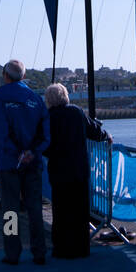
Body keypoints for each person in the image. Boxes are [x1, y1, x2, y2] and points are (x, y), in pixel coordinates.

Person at [0, 60, 51, 265]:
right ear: (24, 76)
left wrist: (16, 153)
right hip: (32, 162)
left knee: (10, 210)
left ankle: (12, 252)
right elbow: (45, 133)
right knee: (35, 208)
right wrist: (32, 152)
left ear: (5, 75)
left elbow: (1, 130)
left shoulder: (0, 96)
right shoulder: (36, 98)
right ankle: (39, 251)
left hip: (9, 163)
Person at [43, 83, 109, 259]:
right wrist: (106, 136)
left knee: (60, 210)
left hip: (58, 170)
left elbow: (44, 145)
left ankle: (61, 248)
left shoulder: (48, 118)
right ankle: (81, 248)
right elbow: (94, 132)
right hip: (78, 169)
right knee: (80, 211)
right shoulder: (76, 112)